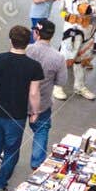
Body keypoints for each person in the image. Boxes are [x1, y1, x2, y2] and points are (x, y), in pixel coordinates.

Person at [0, 25, 43, 191]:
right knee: (11, 150)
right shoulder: (34, 66)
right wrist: (35, 112)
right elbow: (33, 92)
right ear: (28, 41)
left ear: (10, 40)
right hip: (17, 116)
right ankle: (1, 184)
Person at [25, 19, 66, 164]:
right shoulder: (58, 57)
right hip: (42, 102)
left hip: (20, 100)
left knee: (14, 131)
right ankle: (37, 164)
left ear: (36, 33)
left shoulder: (26, 50)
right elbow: (61, 81)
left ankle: (6, 154)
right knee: (41, 131)